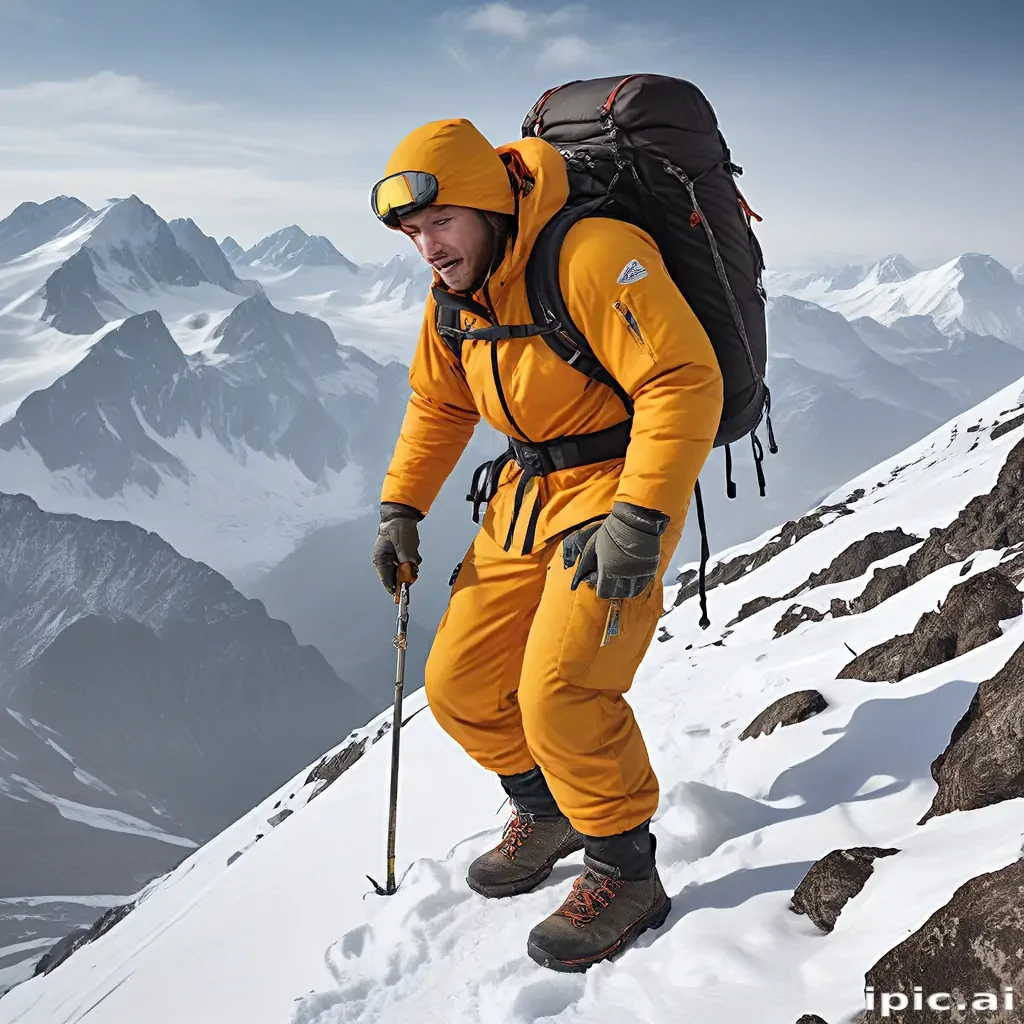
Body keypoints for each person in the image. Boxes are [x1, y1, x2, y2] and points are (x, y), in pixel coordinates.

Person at [370, 117, 723, 972]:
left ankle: (625, 871)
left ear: (489, 205)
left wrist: (642, 516)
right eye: (415, 234)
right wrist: (400, 507)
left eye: (439, 224)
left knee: (562, 690)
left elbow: (682, 378)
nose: (428, 249)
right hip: (527, 495)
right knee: (459, 686)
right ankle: (547, 806)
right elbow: (440, 403)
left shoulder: (593, 254)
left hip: (618, 490)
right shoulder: (458, 295)